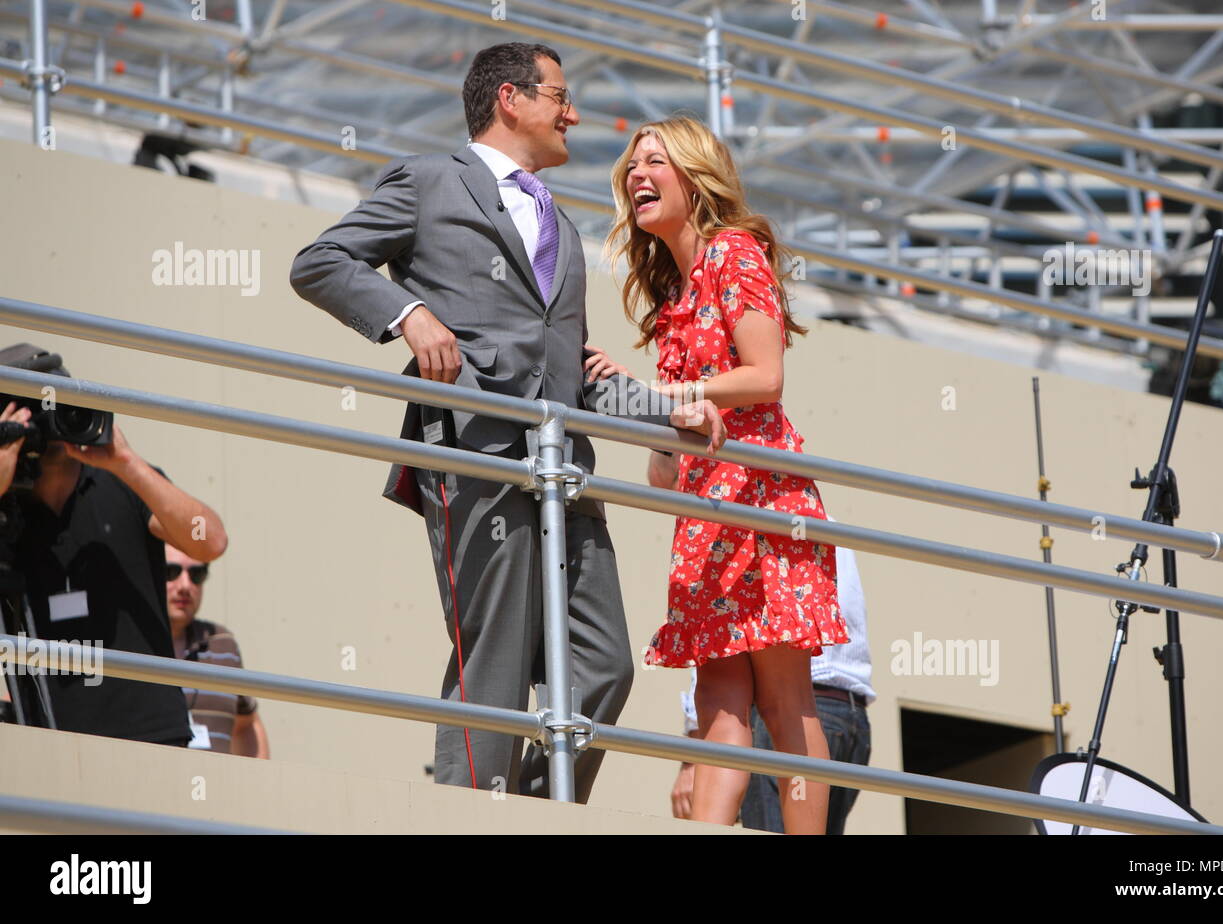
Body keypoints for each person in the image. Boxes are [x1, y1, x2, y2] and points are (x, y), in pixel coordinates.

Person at [290, 43, 725, 801]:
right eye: (561, 96)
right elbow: (321, 261)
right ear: (511, 100)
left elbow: (573, 376)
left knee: (606, 664)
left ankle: (526, 810)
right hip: (475, 452)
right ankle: (475, 818)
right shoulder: (429, 180)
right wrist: (409, 314)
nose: (574, 114)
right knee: (492, 659)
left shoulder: (561, 225)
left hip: (565, 467)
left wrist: (665, 411)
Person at [599, 115, 846, 833]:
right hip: (707, 507)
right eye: (630, 167)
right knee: (717, 693)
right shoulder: (674, 296)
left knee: (782, 696)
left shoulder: (734, 253)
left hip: (761, 496)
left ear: (694, 175)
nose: (636, 176)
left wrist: (660, 398)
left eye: (654, 163)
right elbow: (667, 465)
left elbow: (764, 377)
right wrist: (649, 417)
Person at [0, 353, 228, 746]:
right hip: (44, 741)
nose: (48, 423)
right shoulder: (6, 504)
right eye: (33, 411)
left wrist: (127, 464)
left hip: (151, 736)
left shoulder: (122, 482)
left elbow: (210, 541)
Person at [672, 538, 875, 834]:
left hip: (782, 711)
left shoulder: (727, 520)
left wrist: (692, 747)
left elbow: (724, 651)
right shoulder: (820, 523)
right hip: (848, 714)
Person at [166, 542, 270, 758]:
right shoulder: (131, 644)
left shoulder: (221, 642)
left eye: (197, 573)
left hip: (218, 788)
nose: (185, 585)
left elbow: (247, 723)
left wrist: (257, 785)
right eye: (171, 572)